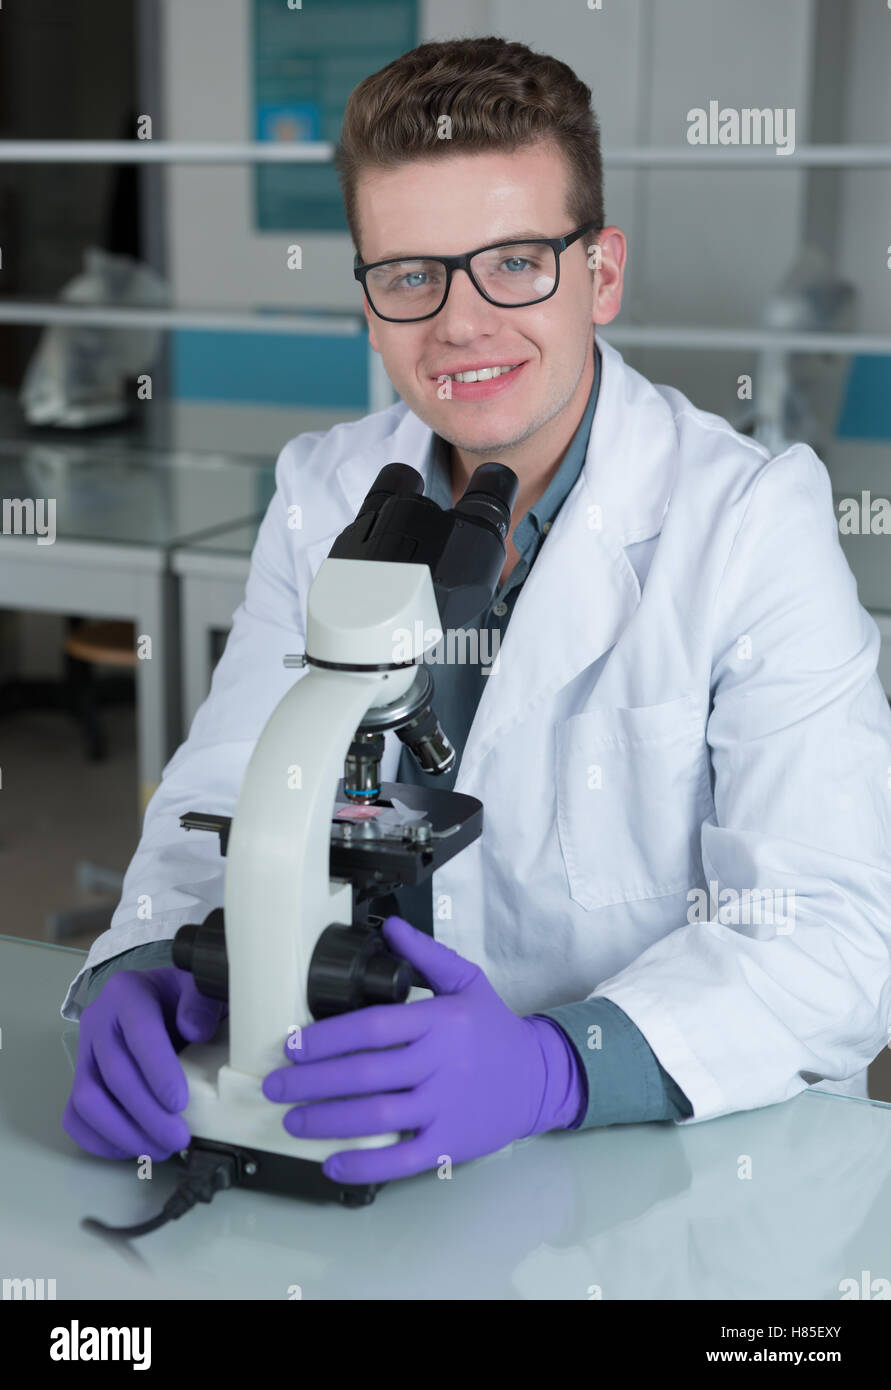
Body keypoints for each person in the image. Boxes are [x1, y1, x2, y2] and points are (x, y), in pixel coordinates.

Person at [61, 36, 891, 1187]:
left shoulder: (753, 520)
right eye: (409, 274)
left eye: (515, 262)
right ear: (367, 302)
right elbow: (229, 791)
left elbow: (834, 934)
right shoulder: (322, 493)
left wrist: (556, 1066)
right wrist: (146, 958)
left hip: (678, 1177)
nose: (458, 323)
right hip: (362, 1140)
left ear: (601, 274)